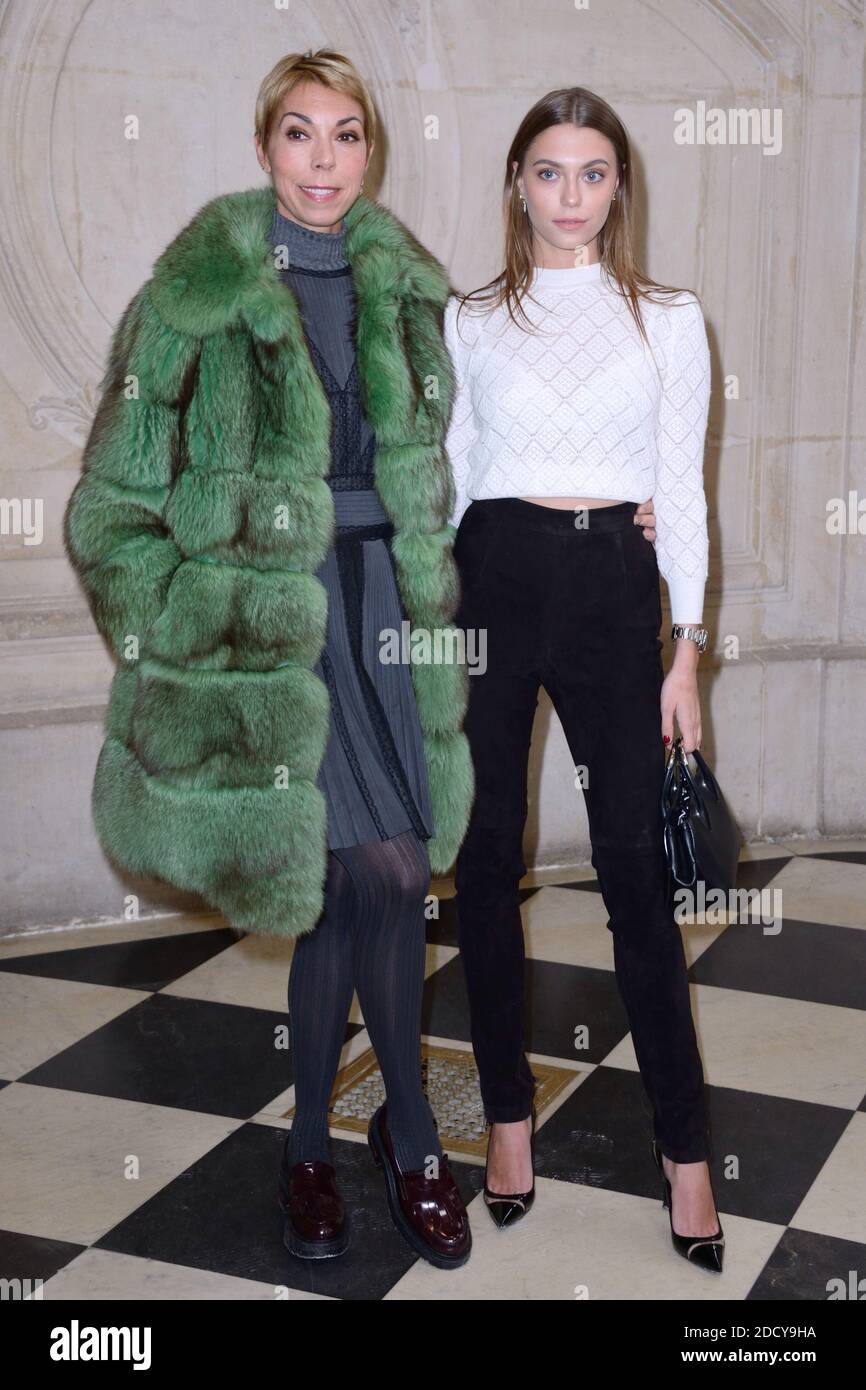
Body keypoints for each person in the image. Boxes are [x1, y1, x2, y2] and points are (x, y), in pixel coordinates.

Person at [63, 49, 473, 1270]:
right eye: (299, 135)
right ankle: (398, 1142)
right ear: (263, 148)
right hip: (273, 636)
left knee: (369, 887)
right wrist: (178, 631)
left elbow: (467, 457)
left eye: (345, 136)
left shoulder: (410, 289)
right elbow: (108, 505)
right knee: (381, 876)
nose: (323, 161)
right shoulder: (194, 293)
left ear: (369, 152)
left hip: (387, 621)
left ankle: (314, 1142)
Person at [444, 86, 725, 1273]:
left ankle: (686, 1155)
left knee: (629, 875)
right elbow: (454, 477)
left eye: (592, 173)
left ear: (619, 186)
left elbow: (685, 484)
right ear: (517, 181)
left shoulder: (668, 314)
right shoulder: (466, 318)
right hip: (492, 577)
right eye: (549, 172)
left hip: (616, 578)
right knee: (482, 857)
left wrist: (687, 647)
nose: (570, 196)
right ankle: (506, 1126)